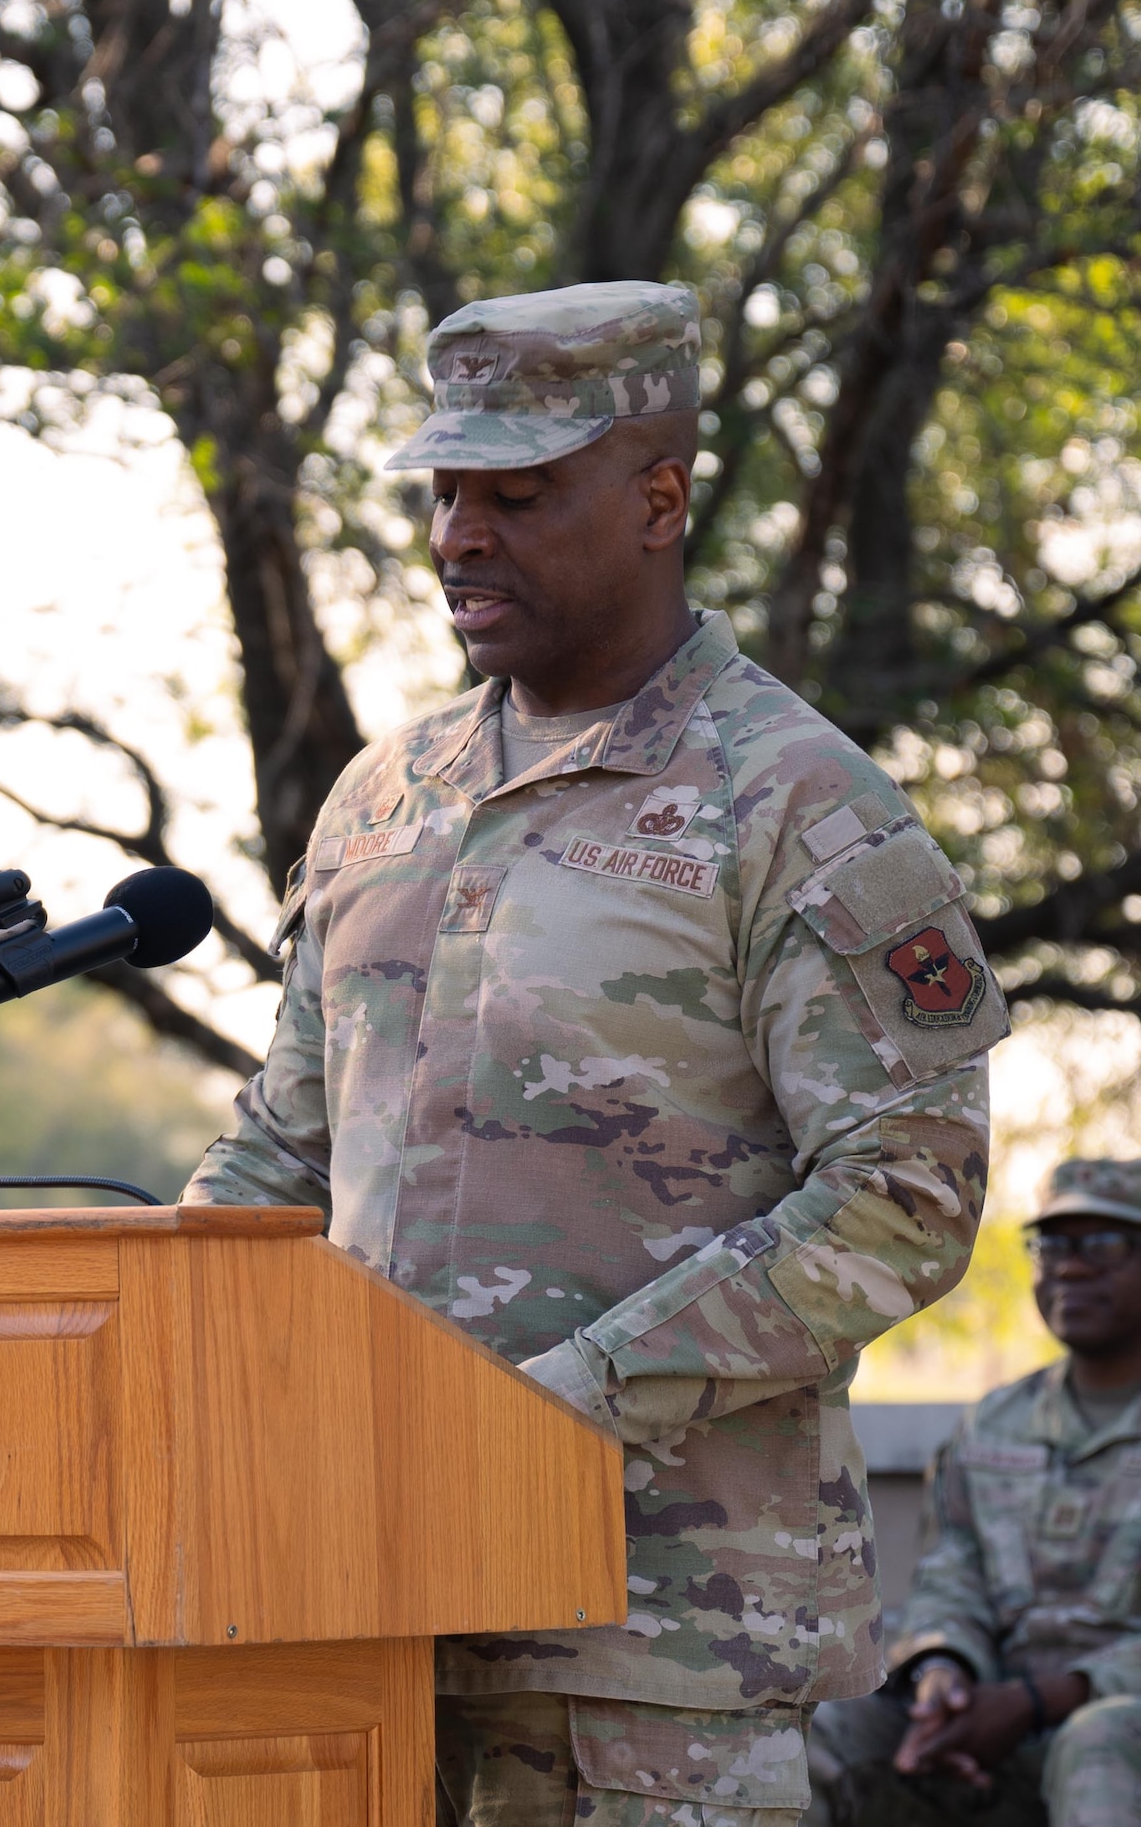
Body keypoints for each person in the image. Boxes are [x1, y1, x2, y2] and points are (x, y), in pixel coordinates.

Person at [180, 282, 1005, 1826]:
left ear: (659, 498)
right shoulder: (382, 796)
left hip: (655, 1651)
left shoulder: (797, 805)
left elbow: (908, 1192)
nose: (458, 537)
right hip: (358, 1619)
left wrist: (569, 1401)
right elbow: (282, 1153)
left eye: (518, 493)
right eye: (443, 493)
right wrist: (152, 1344)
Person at [807, 1157, 1141, 1827]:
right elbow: (949, 1578)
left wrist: (1041, 1700)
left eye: (1103, 1244)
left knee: (1097, 1739)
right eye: (1053, 1245)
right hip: (993, 1712)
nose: (1071, 1267)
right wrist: (942, 1676)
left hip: (1111, 1725)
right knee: (822, 1725)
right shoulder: (994, 1423)